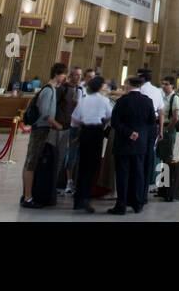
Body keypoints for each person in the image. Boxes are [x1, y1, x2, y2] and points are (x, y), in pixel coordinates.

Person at [20, 62, 67, 207]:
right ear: (57, 75)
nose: (65, 77)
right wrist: (57, 125)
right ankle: (27, 197)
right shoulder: (48, 90)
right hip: (40, 129)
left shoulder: (52, 89)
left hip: (44, 129)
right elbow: (45, 113)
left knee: (33, 161)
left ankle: (29, 194)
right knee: (31, 162)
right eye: (64, 74)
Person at [109, 75, 156, 214]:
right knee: (139, 173)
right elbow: (152, 121)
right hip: (140, 143)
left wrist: (129, 132)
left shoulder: (122, 101)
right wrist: (141, 133)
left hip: (124, 142)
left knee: (122, 174)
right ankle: (137, 203)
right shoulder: (148, 101)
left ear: (129, 84)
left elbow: (115, 122)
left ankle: (121, 205)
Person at [71, 75, 112, 213]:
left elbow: (75, 118)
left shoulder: (84, 99)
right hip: (96, 133)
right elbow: (109, 116)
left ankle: (78, 200)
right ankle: (86, 199)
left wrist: (83, 124)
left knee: (82, 166)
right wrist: (102, 123)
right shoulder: (104, 100)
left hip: (85, 132)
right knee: (92, 167)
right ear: (101, 87)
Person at [138, 71, 165, 193]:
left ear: (142, 79)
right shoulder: (157, 91)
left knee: (139, 155)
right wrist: (160, 129)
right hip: (153, 124)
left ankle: (139, 183)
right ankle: (148, 184)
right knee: (150, 155)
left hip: (141, 124)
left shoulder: (140, 90)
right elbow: (161, 112)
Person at [57, 68, 81, 195]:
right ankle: (58, 183)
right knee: (61, 155)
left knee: (72, 154)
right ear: (70, 76)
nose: (78, 77)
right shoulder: (63, 88)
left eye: (80, 75)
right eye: (76, 75)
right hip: (63, 125)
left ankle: (70, 182)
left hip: (76, 127)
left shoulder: (80, 90)